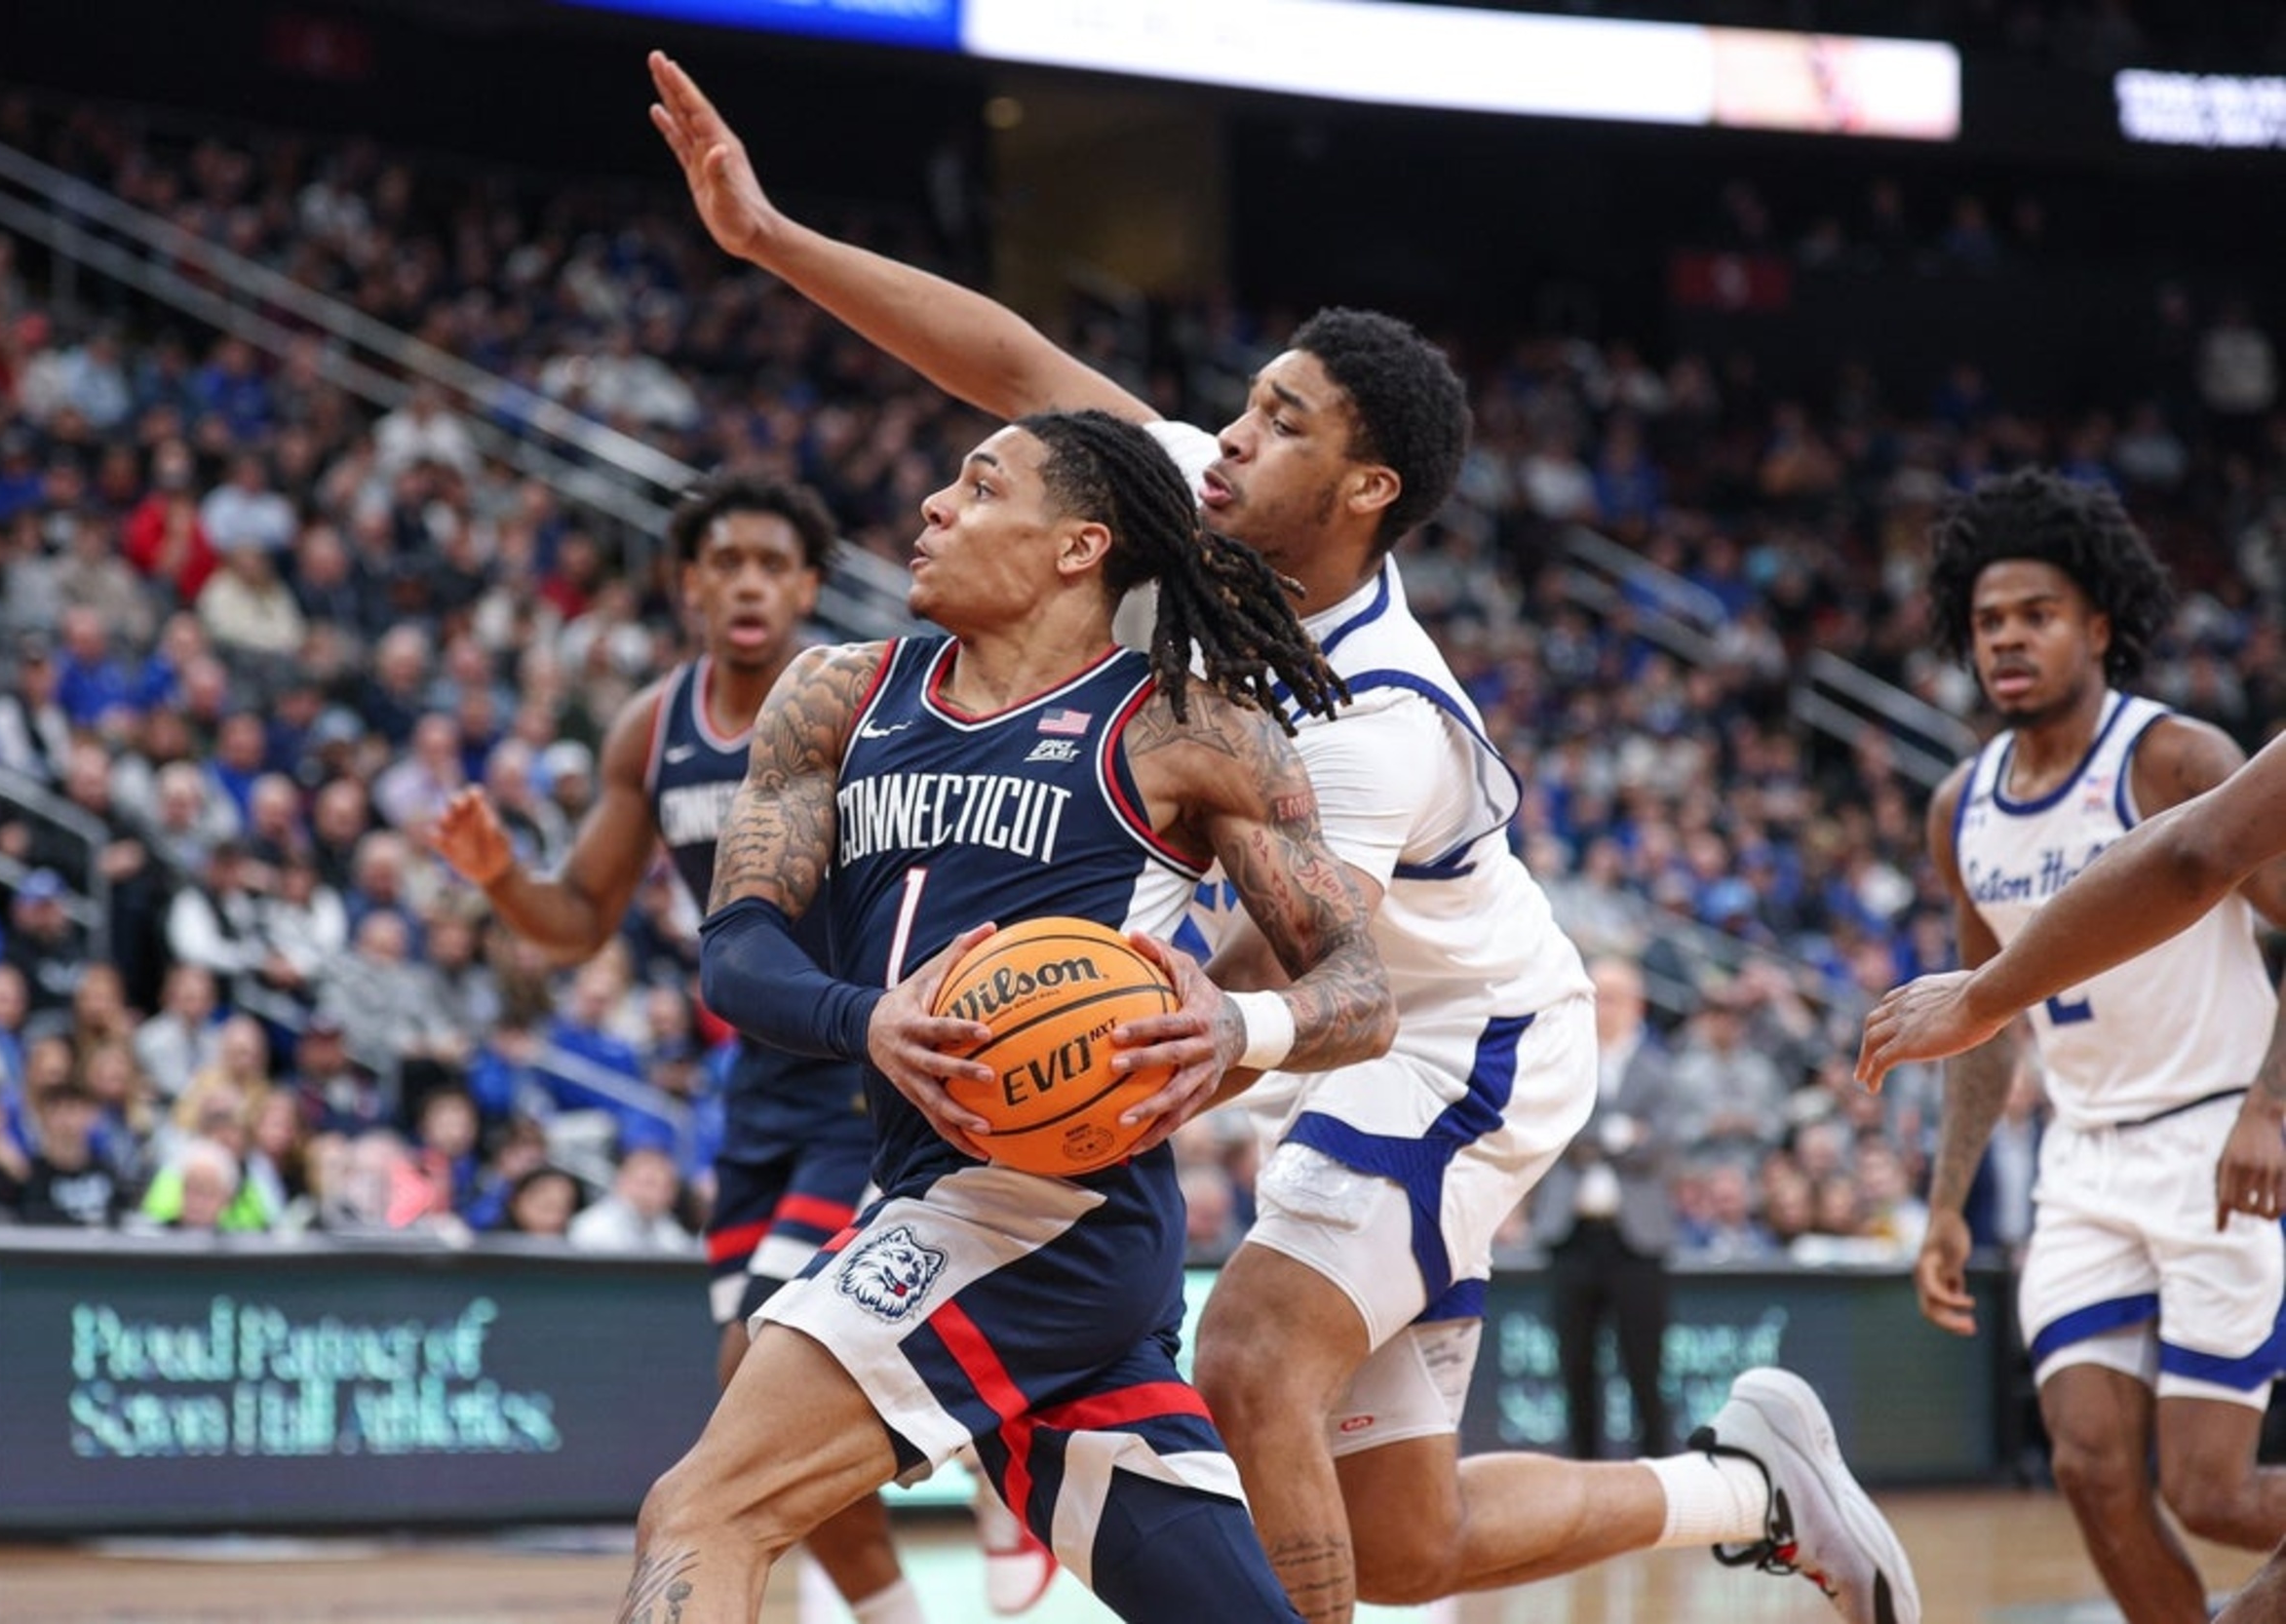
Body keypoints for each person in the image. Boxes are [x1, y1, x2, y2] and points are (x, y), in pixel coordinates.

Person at [647, 49, 1916, 1624]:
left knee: (1248, 1352)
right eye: (1243, 407)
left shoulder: (1380, 713)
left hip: (1460, 1037)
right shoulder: (1199, 500)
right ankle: (1753, 1486)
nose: (1231, 438)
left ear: (1366, 485)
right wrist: (767, 235)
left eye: (1281, 421)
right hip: (1330, 1009)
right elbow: (1010, 357)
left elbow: (1286, 970)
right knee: (1404, 1542)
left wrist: (1072, 1040)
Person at [619, 408, 1393, 1624]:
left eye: (977, 488)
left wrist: (1240, 1031)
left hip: (1034, 1208)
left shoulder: (1183, 728)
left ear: (1079, 546)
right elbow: (736, 955)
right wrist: (865, 1017)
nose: (932, 506)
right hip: (967, 1199)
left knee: (702, 1507)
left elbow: (1360, 989)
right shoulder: (836, 696)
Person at [432, 475, 934, 1624]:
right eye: (727, 561)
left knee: (757, 1368)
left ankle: (986, 1445)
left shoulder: (862, 700)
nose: (749, 580)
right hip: (753, 1086)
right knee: (777, 1399)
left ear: (808, 586)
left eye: (772, 561)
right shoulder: (651, 728)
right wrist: (499, 876)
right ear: (689, 583)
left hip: (863, 1078)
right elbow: (575, 923)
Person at [1859, 468, 2286, 1624]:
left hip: (2215, 1134)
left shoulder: (2176, 759)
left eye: (2036, 614)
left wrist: (2270, 1107)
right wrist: (1945, 1199)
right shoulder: (1961, 806)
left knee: (2212, 1489)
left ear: (2097, 626)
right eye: (1989, 619)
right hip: (2083, 1158)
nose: (2008, 639)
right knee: (2090, 1469)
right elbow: (1983, 1020)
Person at [1526, 955, 1680, 1459]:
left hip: (1636, 1241)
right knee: (1575, 1367)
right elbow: (1554, 1130)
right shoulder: (1563, 1061)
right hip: (1572, 1235)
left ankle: (1659, 1479)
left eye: (1610, 996)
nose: (1599, 1007)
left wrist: (1598, 1139)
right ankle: (1583, 1479)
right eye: (1593, 996)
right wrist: (1619, 1134)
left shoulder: (1658, 1070)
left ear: (1635, 1004)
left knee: (1644, 1366)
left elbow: (1660, 1144)